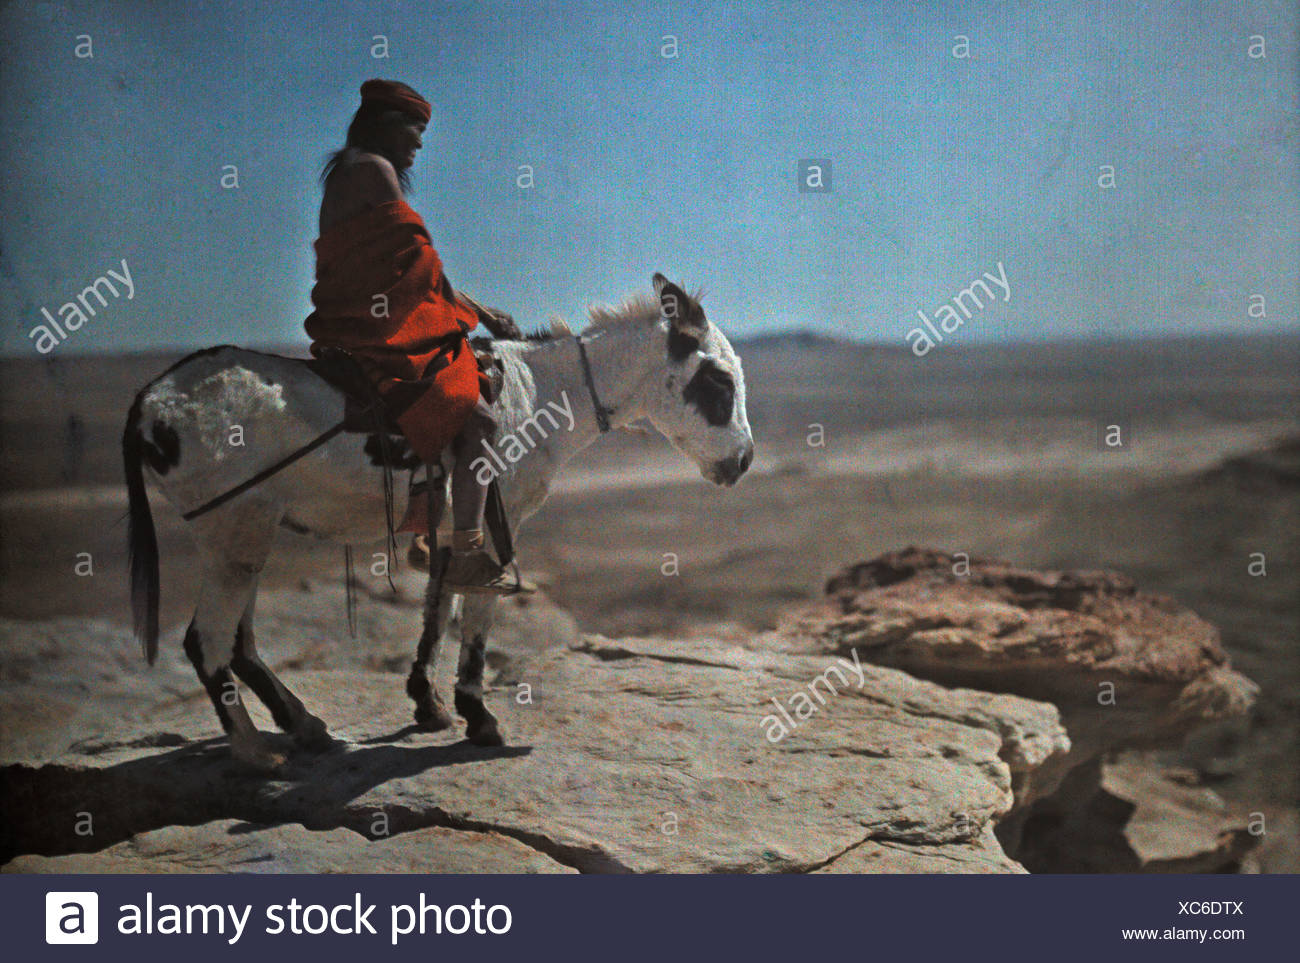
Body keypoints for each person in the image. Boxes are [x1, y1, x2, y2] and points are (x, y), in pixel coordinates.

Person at [305, 79, 522, 594]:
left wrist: (473, 309)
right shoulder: (374, 170)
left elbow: (410, 265)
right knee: (478, 417)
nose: (420, 143)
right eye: (414, 128)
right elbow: (421, 266)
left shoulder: (347, 168)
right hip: (376, 327)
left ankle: (426, 531)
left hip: (358, 316)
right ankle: (465, 553)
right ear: (383, 123)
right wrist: (483, 314)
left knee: (463, 372)